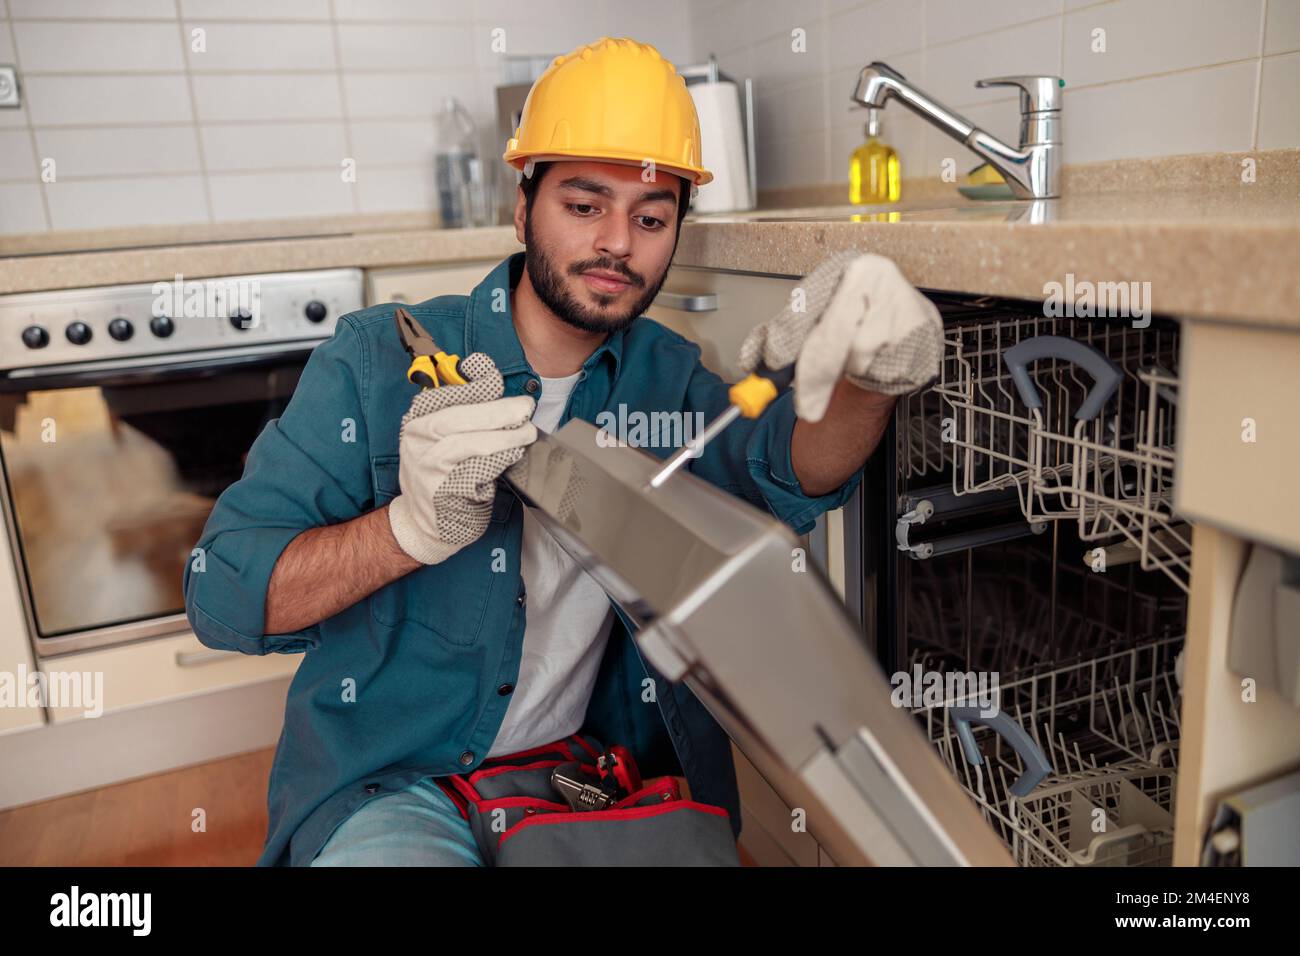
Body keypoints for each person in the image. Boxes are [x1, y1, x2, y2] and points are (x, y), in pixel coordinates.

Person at [183, 36, 938, 866]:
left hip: (601, 774)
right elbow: (223, 594)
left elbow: (794, 470)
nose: (619, 242)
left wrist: (872, 377)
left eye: (651, 217)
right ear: (522, 209)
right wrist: (404, 531)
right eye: (585, 205)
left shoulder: (668, 380)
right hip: (392, 783)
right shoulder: (376, 364)